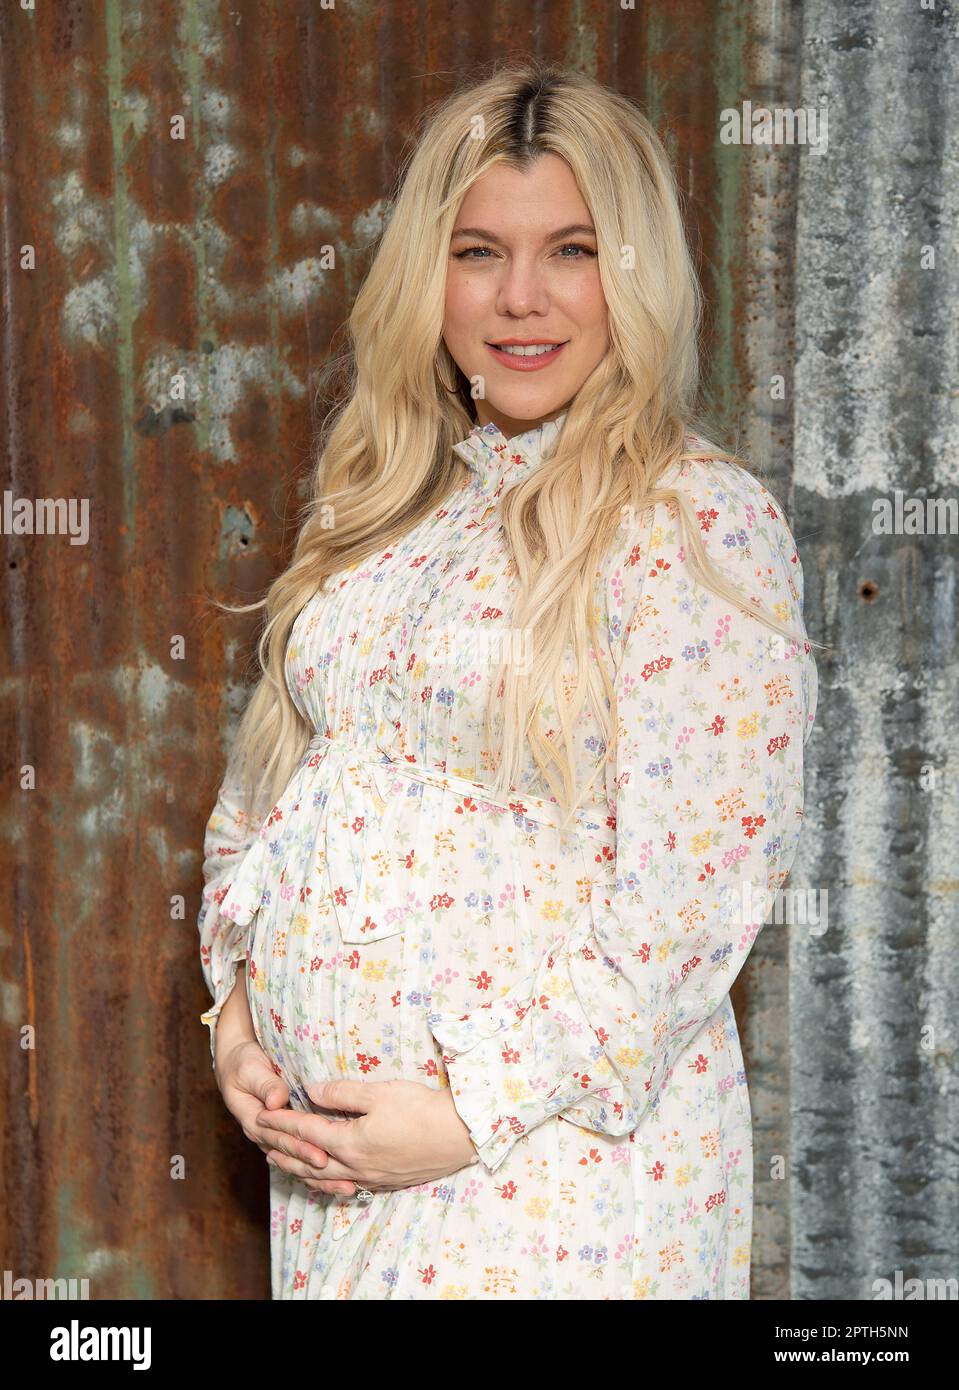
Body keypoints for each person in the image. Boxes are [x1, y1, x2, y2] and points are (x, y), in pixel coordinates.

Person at [197, 57, 820, 1300]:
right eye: (477, 251)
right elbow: (271, 797)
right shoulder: (388, 512)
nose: (519, 299)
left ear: (633, 270)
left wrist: (468, 1110)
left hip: (549, 1186)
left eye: (572, 250)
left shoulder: (692, 525)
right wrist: (241, 1016)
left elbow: (686, 908)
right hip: (334, 1187)